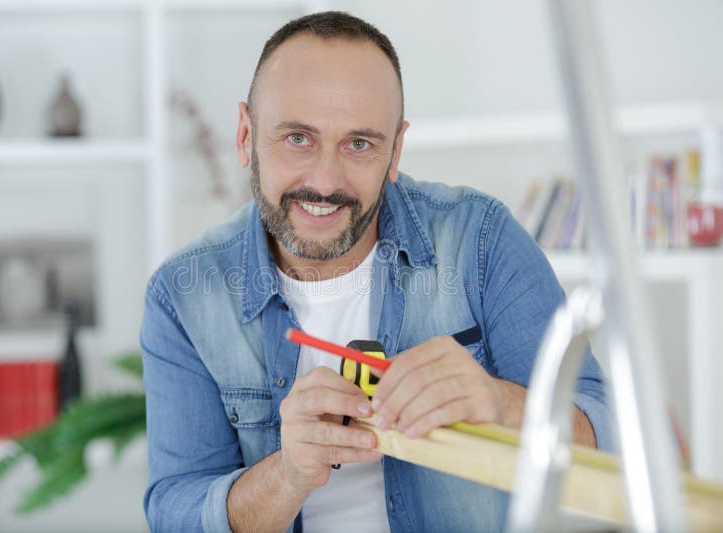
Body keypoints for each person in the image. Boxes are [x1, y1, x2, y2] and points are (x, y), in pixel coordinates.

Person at [140, 11, 611, 533]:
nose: (325, 180)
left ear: (395, 150)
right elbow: (174, 514)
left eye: (359, 144)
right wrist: (289, 474)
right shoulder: (184, 295)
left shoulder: (481, 240)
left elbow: (612, 439)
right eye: (298, 138)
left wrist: (505, 405)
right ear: (246, 136)